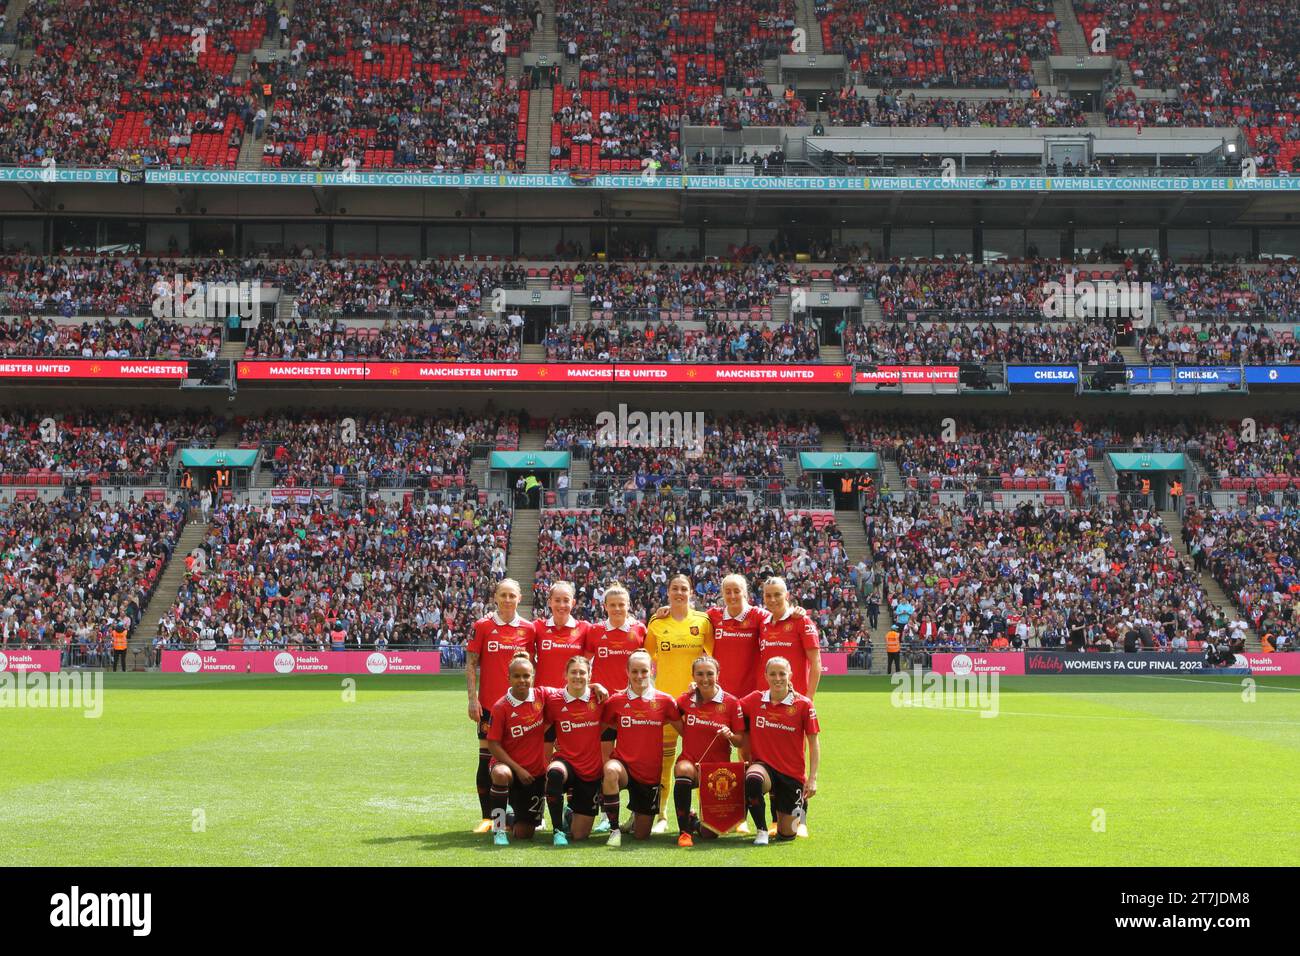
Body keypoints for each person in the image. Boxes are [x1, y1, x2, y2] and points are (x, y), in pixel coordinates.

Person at [644, 574, 713, 832]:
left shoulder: (703, 621)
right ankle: (661, 816)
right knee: (663, 762)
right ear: (668, 591)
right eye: (675, 588)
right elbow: (643, 657)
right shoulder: (657, 622)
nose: (679, 593)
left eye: (684, 588)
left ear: (691, 592)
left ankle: (708, 814)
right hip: (666, 705)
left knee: (703, 761)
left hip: (697, 705)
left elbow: (714, 660)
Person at [466, 579, 535, 834]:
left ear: (519, 598)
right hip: (489, 708)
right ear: (495, 597)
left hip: (520, 709)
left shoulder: (529, 630)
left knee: (519, 760)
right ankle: (488, 818)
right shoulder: (482, 626)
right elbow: (471, 664)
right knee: (486, 761)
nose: (507, 600)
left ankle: (522, 813)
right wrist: (473, 699)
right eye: (503, 595)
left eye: (511, 595)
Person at [599, 650, 683, 846]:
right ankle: (614, 830)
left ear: (651, 671)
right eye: (634, 671)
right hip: (623, 767)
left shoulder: (666, 701)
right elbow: (595, 730)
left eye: (644, 671)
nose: (639, 676)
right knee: (610, 771)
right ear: (627, 671)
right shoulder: (615, 701)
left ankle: (637, 818)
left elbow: (687, 731)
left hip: (649, 774)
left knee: (642, 835)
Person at [740, 656, 821, 846]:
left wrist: (812, 778)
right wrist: (701, 691)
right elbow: (728, 706)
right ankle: (761, 830)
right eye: (773, 674)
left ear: (790, 675)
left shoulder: (804, 705)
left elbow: (813, 743)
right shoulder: (754, 700)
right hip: (764, 767)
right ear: (766, 676)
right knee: (752, 778)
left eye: (782, 674)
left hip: (791, 773)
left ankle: (799, 806)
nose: (778, 678)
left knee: (787, 835)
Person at [672, 655, 745, 847]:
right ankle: (684, 832)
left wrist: (729, 735)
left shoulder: (731, 703)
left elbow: (740, 741)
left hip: (717, 773)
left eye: (710, 674)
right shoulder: (685, 700)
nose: (705, 679)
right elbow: (669, 712)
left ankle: (693, 820)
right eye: (700, 674)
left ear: (718, 674)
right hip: (690, 762)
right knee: (683, 770)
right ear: (693, 676)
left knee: (709, 833)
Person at [541, 655, 610, 845]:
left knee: (580, 835)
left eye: (582, 672)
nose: (577, 676)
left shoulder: (601, 698)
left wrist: (599, 686)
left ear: (589, 675)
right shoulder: (554, 700)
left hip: (590, 770)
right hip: (566, 761)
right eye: (573, 672)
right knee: (554, 773)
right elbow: (540, 727)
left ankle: (569, 814)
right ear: (565, 675)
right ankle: (557, 832)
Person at [485, 653, 548, 845]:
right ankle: (498, 829)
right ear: (509, 677)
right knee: (501, 774)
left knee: (524, 833)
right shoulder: (501, 707)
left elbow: (569, 691)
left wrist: (595, 686)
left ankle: (511, 812)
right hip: (509, 768)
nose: (522, 680)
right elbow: (493, 744)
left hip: (533, 773)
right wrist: (518, 769)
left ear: (533, 676)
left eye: (526, 676)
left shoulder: (542, 696)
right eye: (517, 676)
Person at [534, 581, 589, 767]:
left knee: (574, 759)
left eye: (566, 600)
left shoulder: (585, 629)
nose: (562, 605)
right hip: (544, 706)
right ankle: (540, 796)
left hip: (573, 705)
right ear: (549, 602)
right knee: (542, 760)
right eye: (557, 600)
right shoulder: (537, 628)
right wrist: (494, 613)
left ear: (573, 603)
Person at [758, 577, 821, 700]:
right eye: (768, 595)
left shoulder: (802, 621)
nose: (772, 600)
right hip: (767, 698)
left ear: (786, 595)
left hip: (795, 698)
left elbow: (816, 661)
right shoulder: (762, 623)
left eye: (777, 595)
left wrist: (809, 697)